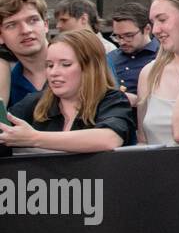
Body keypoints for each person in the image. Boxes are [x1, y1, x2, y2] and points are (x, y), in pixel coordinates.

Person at [0, 30, 135, 155]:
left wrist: (34, 138)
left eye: (65, 64)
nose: (53, 73)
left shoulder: (112, 100)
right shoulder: (35, 102)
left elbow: (109, 139)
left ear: (90, 67)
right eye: (49, 65)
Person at [136, 0, 179, 148]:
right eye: (153, 22)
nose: (156, 30)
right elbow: (143, 141)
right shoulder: (149, 73)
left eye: (162, 19)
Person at [53, 0, 120, 85]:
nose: (58, 26)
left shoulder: (107, 50)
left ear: (83, 19)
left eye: (64, 20)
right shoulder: (61, 48)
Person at [1, 0, 50, 106]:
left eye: (33, 20)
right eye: (12, 25)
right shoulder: (7, 83)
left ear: (46, 25)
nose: (26, 30)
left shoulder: (87, 60)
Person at [107, 3, 158, 106]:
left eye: (128, 36)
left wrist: (138, 101)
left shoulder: (164, 57)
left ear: (147, 29)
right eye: (117, 36)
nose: (122, 42)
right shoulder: (110, 58)